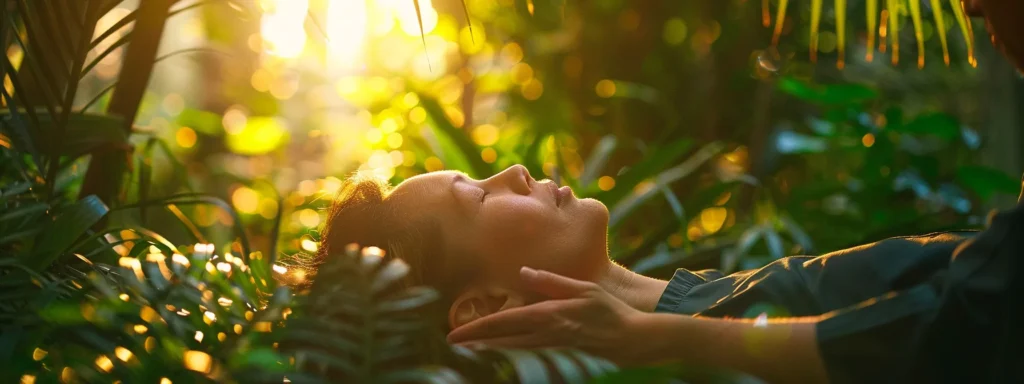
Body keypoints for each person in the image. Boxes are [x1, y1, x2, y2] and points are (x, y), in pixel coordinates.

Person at [316, 164, 1024, 383]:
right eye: (479, 192)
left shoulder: (715, 302)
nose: (516, 171)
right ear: (483, 307)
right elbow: (962, 329)